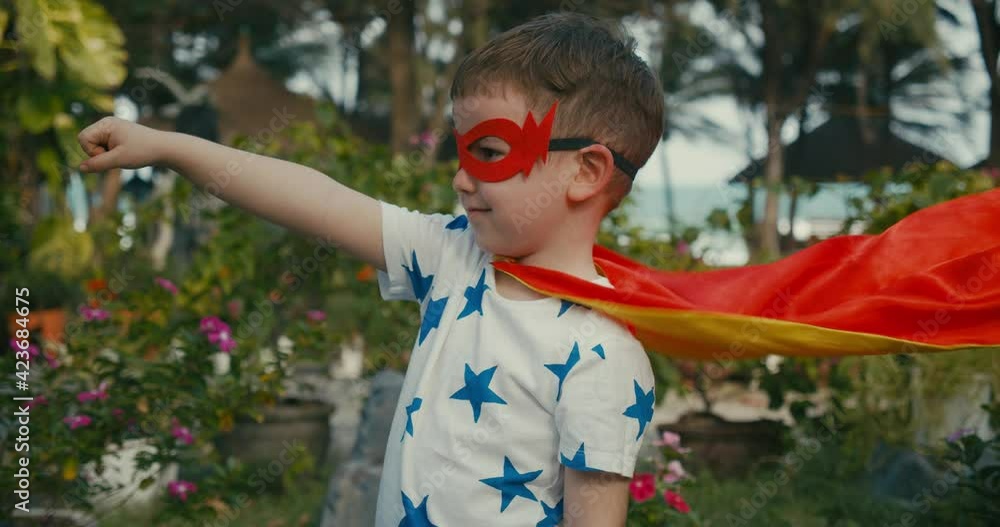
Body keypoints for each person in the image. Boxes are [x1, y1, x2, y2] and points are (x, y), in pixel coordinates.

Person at [77, 13, 664, 525]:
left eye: (488, 152)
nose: (460, 178)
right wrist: (169, 147)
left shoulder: (602, 353)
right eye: (458, 150)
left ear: (587, 171)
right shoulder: (454, 258)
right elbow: (316, 201)